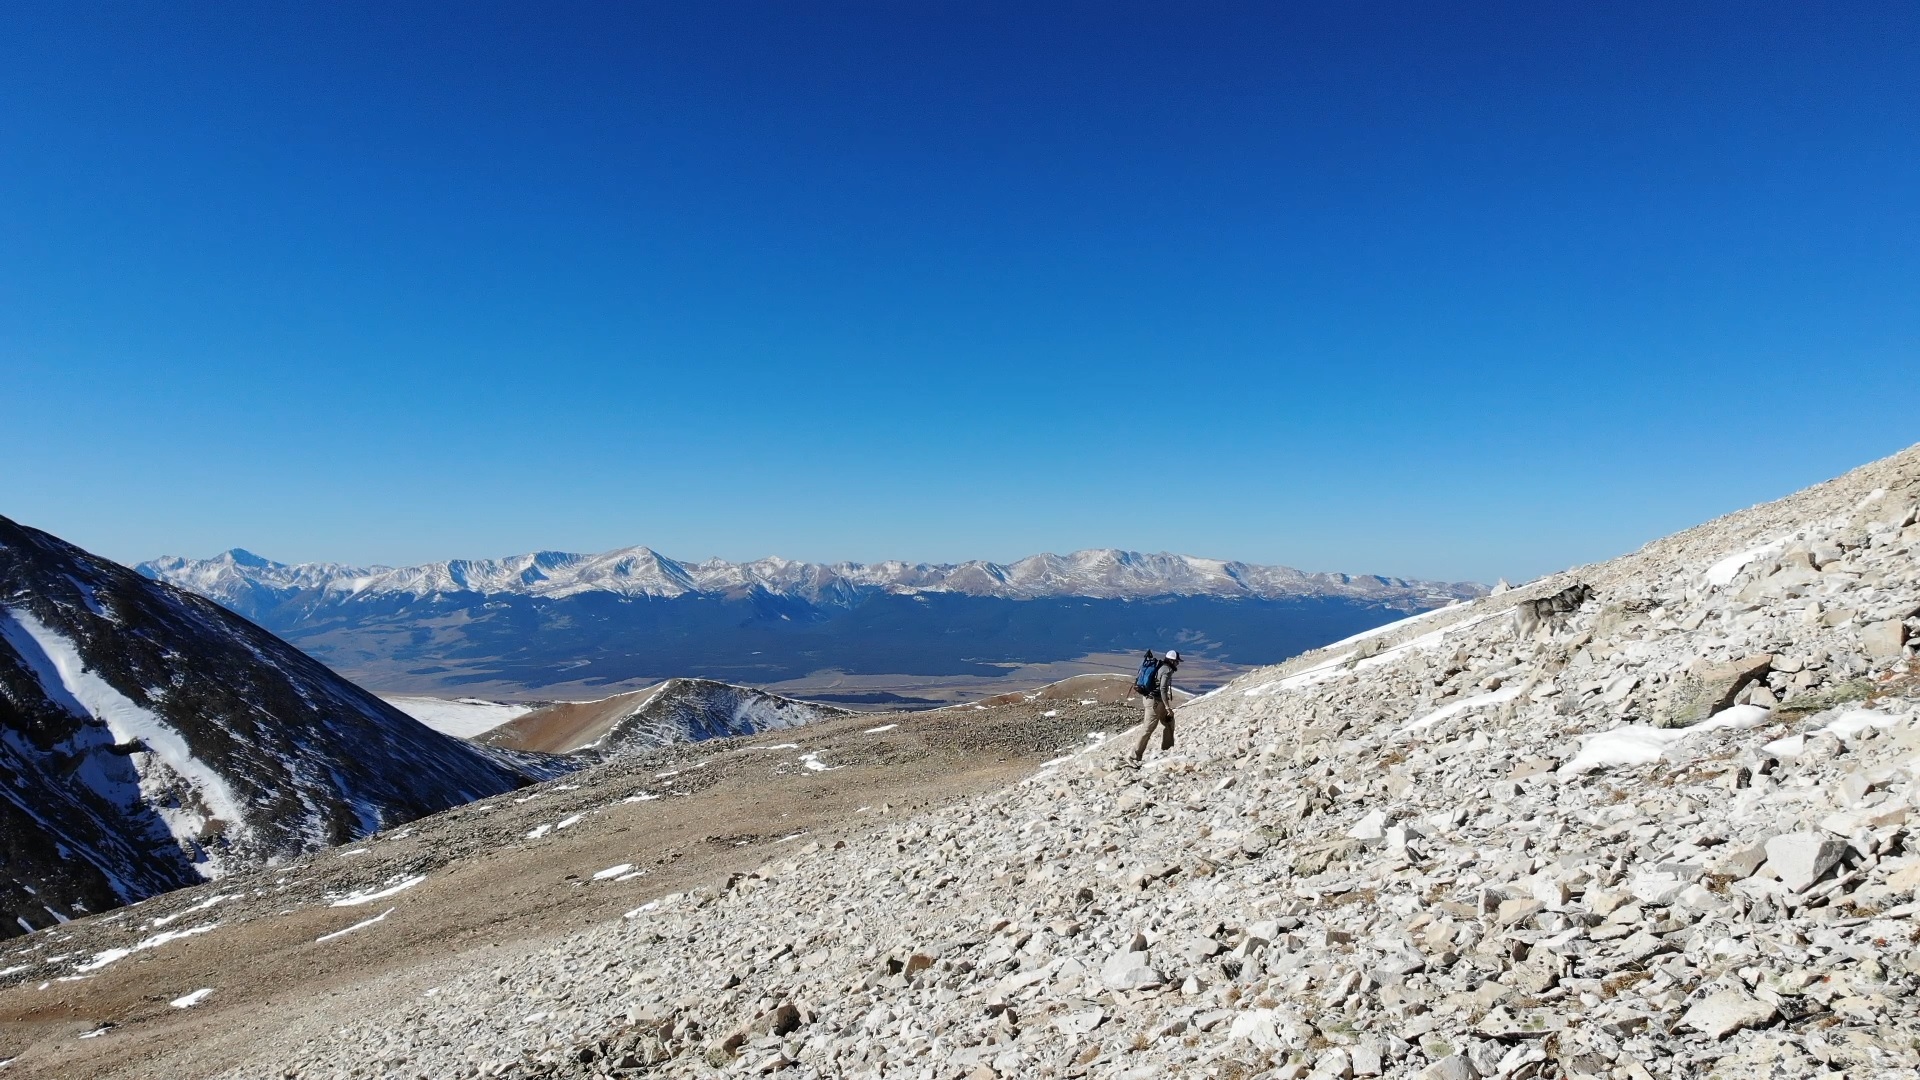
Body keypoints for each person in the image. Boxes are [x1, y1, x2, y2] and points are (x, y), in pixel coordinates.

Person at [1130, 649, 1180, 765]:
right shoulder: (1167, 670)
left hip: (1154, 701)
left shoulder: (1161, 666)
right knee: (1148, 728)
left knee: (1169, 721)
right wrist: (1167, 707)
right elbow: (1163, 689)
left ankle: (1168, 750)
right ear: (1172, 661)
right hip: (1154, 702)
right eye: (1177, 661)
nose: (1178, 664)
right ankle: (1134, 756)